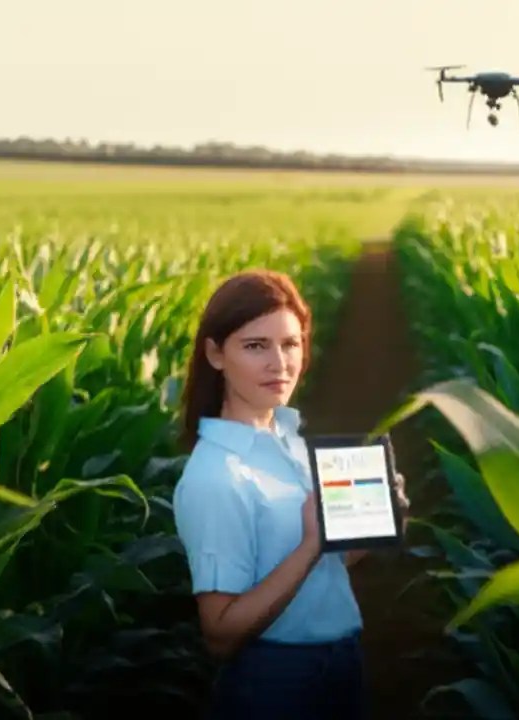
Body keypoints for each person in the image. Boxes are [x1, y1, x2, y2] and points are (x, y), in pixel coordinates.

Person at [171, 269, 409, 720]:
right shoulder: (216, 475)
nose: (279, 363)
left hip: (340, 663)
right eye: (256, 346)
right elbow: (219, 633)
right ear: (216, 354)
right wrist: (311, 544)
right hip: (275, 681)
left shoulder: (290, 441)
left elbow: (316, 569)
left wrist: (375, 517)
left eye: (290, 344)